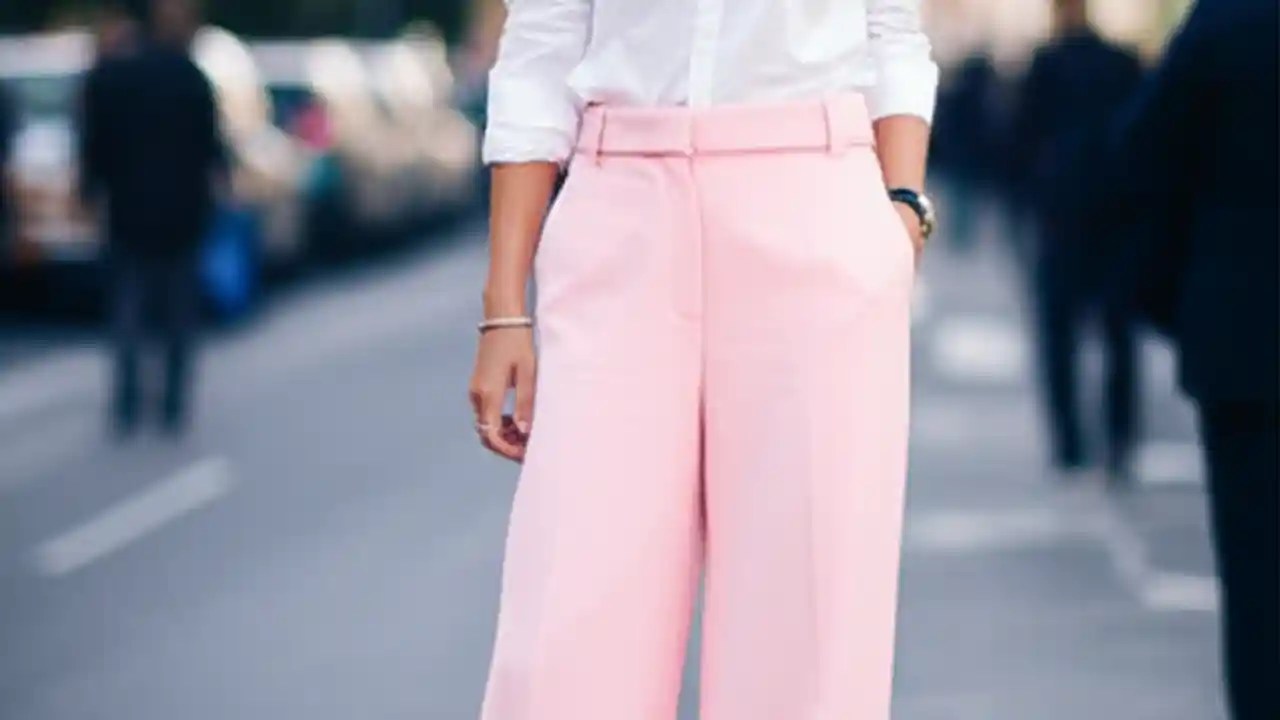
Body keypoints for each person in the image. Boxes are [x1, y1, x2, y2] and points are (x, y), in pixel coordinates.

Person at [468, 1, 937, 717]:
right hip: (618, 211)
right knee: (566, 630)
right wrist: (505, 304)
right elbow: (542, 39)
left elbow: (892, 29)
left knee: (805, 647)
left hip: (815, 200)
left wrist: (901, 214)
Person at [1116, 1, 1278, 717]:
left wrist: (1167, 295)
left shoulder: (1223, 22)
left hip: (1242, 336)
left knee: (1254, 577)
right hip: (1234, 330)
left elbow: (1143, 153)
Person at [1010, 0, 1144, 484]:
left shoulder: (1045, 65)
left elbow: (1019, 140)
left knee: (1059, 339)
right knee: (1117, 336)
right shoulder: (1121, 63)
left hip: (1060, 218)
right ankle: (1120, 439)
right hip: (1112, 215)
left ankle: (1070, 443)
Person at [80, 0, 225, 437]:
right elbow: (212, 149)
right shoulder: (191, 78)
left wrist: (89, 191)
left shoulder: (114, 77)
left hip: (128, 208)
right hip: (183, 210)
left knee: (130, 305)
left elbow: (95, 143)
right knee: (178, 310)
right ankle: (171, 403)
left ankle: (127, 401)